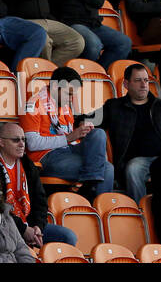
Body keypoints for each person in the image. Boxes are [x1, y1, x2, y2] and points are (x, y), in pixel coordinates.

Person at [21, 66, 113, 196]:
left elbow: (72, 138)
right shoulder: (32, 105)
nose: (71, 99)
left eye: (73, 94)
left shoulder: (65, 108)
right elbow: (32, 143)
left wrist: (82, 131)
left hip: (69, 150)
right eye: (68, 94)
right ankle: (89, 195)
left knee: (98, 133)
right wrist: (69, 138)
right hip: (46, 157)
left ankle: (88, 184)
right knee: (107, 169)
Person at [101, 62, 161, 201]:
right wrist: (73, 118)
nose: (143, 85)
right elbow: (91, 120)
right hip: (135, 161)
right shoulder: (114, 107)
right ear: (126, 84)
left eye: (146, 80)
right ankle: (140, 213)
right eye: (137, 80)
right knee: (134, 168)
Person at [0, 119, 78, 247]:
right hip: (5, 226)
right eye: (16, 140)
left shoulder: (27, 164)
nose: (21, 144)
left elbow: (40, 200)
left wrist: (38, 227)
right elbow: (1, 210)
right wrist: (24, 230)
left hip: (30, 225)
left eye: (23, 140)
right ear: (1, 142)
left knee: (68, 237)